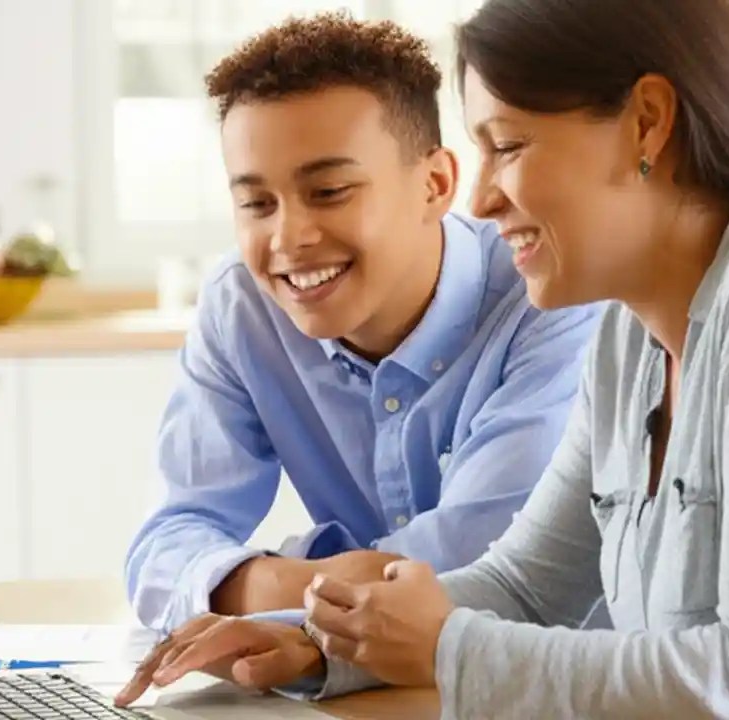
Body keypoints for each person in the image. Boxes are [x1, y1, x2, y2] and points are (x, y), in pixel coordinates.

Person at [116, 0, 729, 717]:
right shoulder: (631, 330)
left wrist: (441, 646)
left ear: (647, 124)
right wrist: (313, 645)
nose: (478, 200)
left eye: (507, 147)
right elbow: (520, 588)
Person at [124, 11, 602, 635]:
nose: (288, 239)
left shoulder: (549, 295)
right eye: (256, 204)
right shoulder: (242, 308)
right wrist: (275, 581)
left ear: (435, 184)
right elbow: (164, 548)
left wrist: (270, 578)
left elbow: (487, 563)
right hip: (358, 678)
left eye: (329, 193)